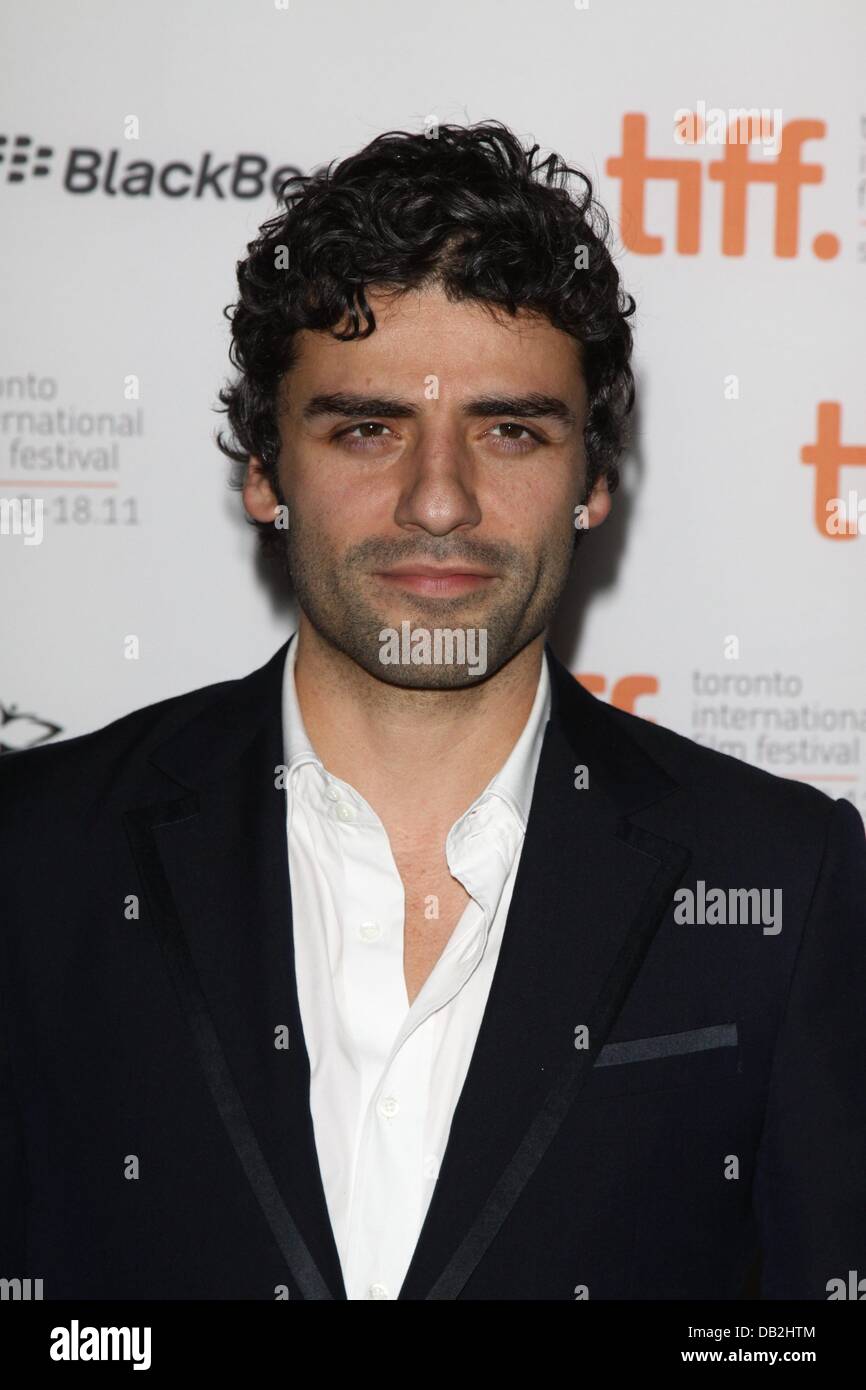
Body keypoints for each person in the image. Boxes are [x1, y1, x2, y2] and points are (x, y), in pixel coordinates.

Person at [1, 121, 864, 1301]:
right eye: (368, 427)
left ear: (593, 479)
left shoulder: (781, 876)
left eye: (508, 429)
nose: (440, 500)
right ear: (264, 469)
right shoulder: (37, 851)